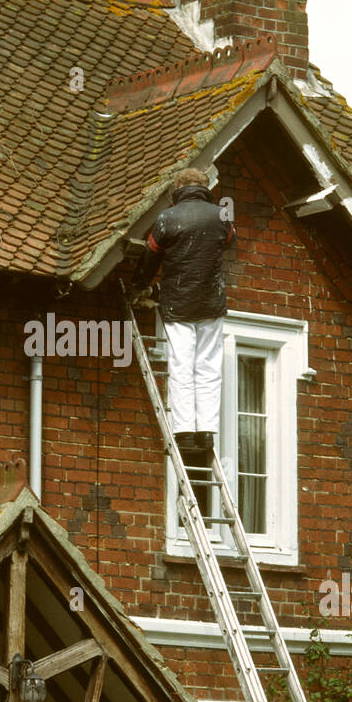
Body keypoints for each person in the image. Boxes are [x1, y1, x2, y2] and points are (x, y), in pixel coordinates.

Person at [130, 167, 235, 479]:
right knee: (208, 367)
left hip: (177, 302)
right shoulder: (222, 217)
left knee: (181, 365)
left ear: (177, 190)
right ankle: (206, 432)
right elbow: (227, 242)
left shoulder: (167, 219)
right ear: (204, 189)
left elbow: (150, 257)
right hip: (211, 302)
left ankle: (185, 432)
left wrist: (139, 286)